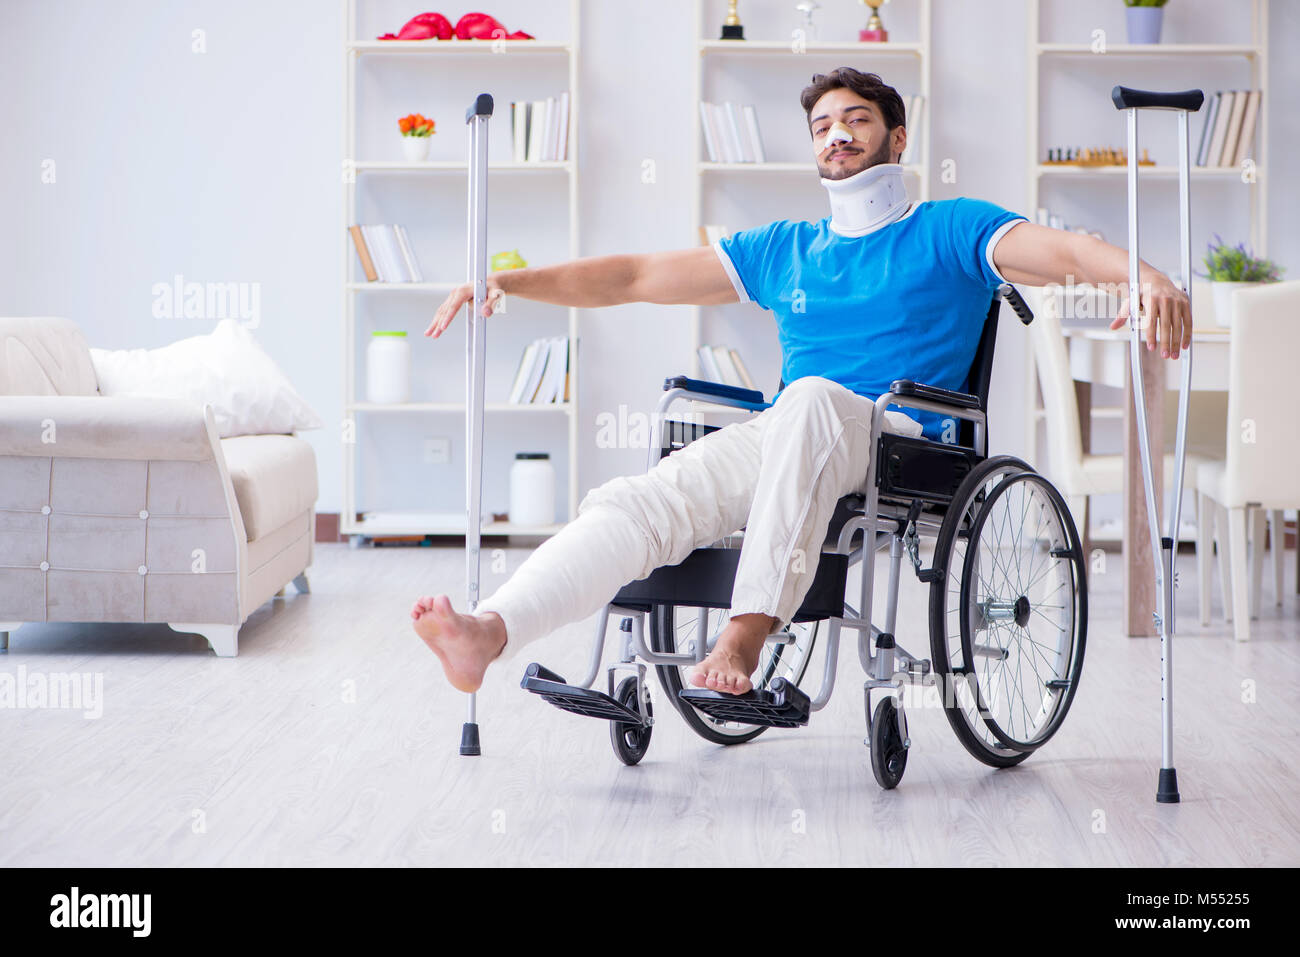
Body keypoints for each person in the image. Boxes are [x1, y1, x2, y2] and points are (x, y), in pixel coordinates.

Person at [411, 67, 1191, 697]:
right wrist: (509, 283)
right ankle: (490, 630)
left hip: (903, 436)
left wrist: (1146, 275)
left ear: (897, 137)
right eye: (822, 125)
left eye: (854, 119)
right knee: (642, 500)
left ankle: (746, 632)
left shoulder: (950, 227)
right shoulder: (786, 246)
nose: (837, 134)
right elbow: (636, 274)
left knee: (813, 398)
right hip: (792, 431)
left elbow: (1064, 254)